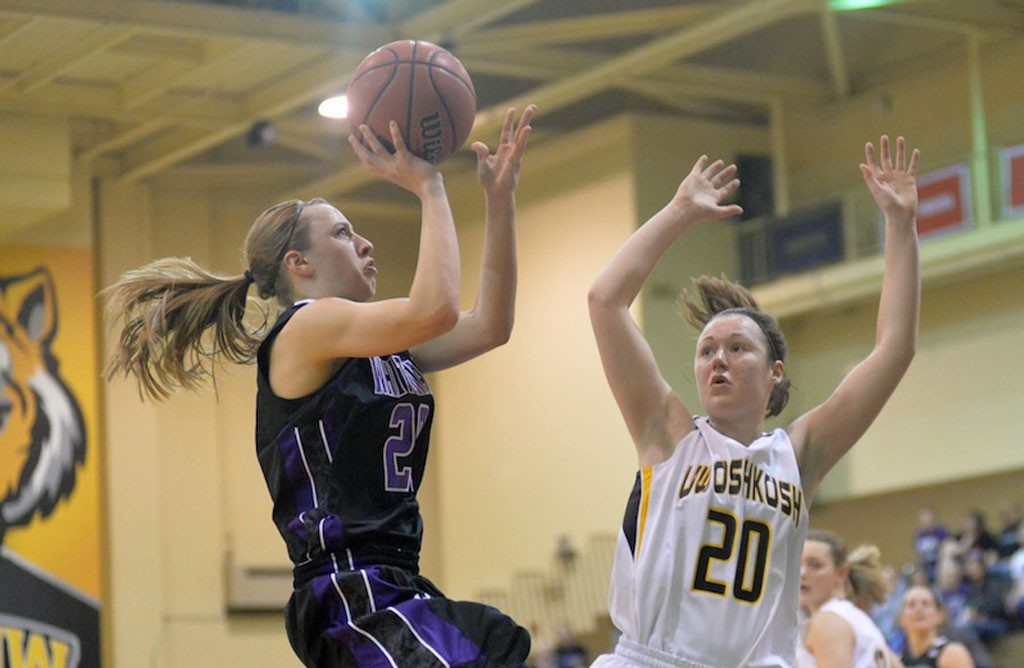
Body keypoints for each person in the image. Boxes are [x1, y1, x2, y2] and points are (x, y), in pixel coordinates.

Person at [104, 105, 536, 667]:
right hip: (345, 591)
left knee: (498, 642)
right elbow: (433, 310)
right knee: (492, 650)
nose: (364, 242)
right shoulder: (306, 327)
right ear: (298, 263)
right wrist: (429, 188)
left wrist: (499, 204)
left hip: (395, 580)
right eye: (342, 232)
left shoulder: (377, 341)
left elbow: (491, 326)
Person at [586, 134, 921, 668]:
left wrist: (900, 225)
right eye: (706, 351)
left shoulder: (798, 454)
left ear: (775, 373)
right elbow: (605, 302)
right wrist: (677, 211)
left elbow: (894, 349)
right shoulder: (669, 434)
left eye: (737, 348)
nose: (717, 359)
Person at [797, 530, 901, 667]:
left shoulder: (828, 620)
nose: (802, 573)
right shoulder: (859, 619)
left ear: (841, 573)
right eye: (798, 564)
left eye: (815, 565)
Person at [899, 585, 975, 668]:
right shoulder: (898, 659)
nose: (918, 609)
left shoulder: (952, 653)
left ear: (940, 615)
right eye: (911, 605)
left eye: (925, 604)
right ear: (902, 618)